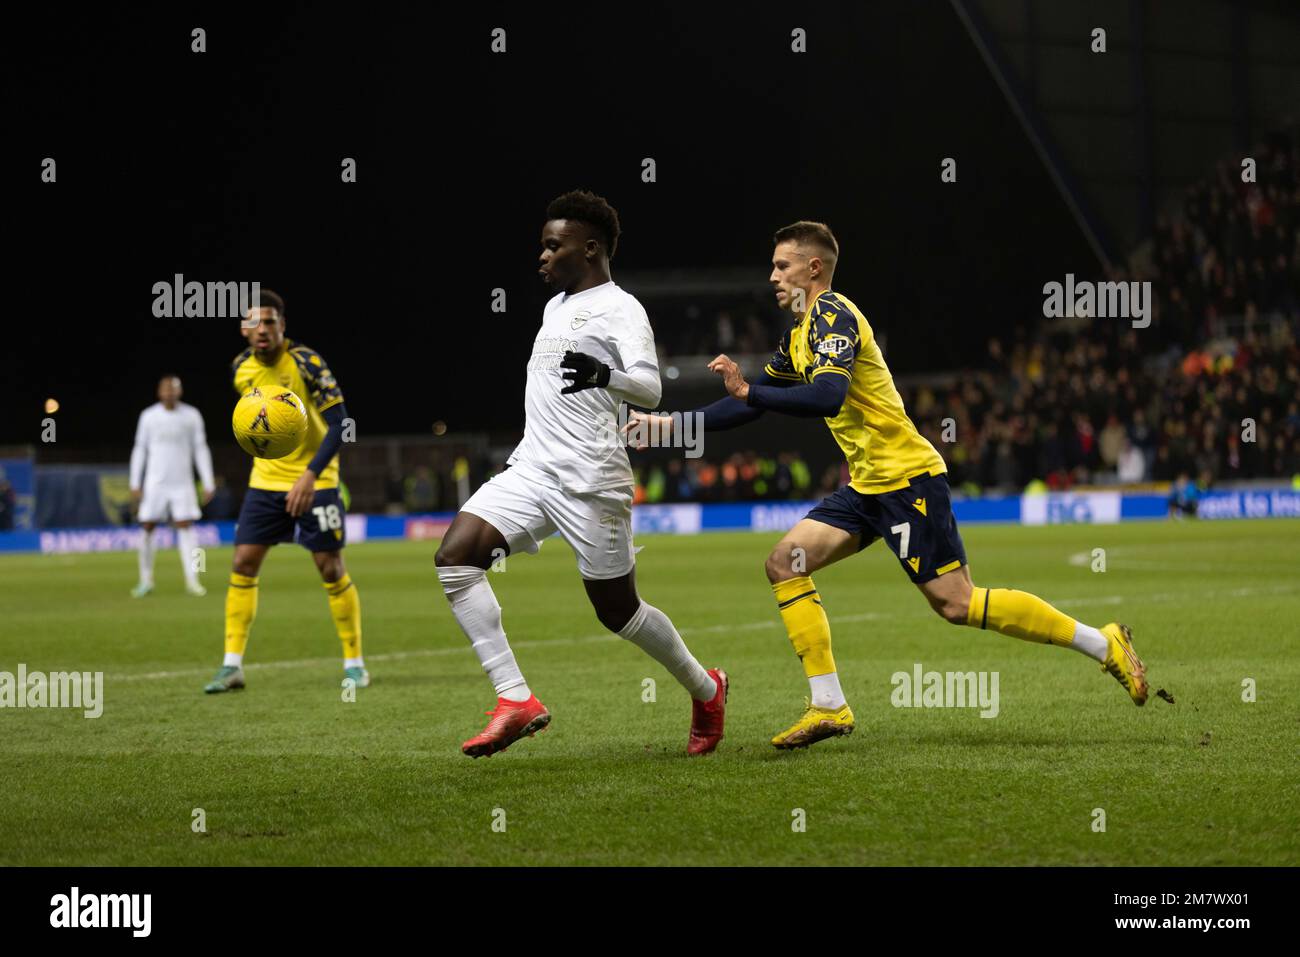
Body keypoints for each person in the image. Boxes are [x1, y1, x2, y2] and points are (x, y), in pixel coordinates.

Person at [629, 221, 1151, 750]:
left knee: (956, 604)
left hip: (906, 479)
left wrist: (750, 393)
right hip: (867, 487)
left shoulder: (834, 314)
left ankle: (1102, 643)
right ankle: (828, 705)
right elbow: (749, 399)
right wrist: (671, 425)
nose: (772, 276)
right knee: (786, 562)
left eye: (782, 265)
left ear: (814, 269)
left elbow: (826, 396)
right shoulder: (800, 334)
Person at [434, 190, 727, 758]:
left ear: (589, 249)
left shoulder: (623, 308)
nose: (541, 257)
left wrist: (605, 375)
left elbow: (651, 387)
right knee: (455, 558)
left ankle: (707, 689)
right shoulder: (555, 308)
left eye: (552, 246)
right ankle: (514, 699)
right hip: (533, 469)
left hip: (593, 478)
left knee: (617, 611)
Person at [203, 289, 367, 693]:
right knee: (242, 562)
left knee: (330, 568)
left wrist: (310, 475)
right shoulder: (240, 369)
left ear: (282, 326)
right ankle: (232, 666)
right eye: (254, 323)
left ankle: (354, 663)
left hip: (317, 480)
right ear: (244, 329)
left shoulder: (307, 362)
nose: (263, 330)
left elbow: (341, 424)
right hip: (265, 482)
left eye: (271, 322)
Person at [128, 375, 214, 597]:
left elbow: (200, 448)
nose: (169, 393)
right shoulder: (148, 416)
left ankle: (194, 580)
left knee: (187, 527)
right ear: (159, 392)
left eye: (173, 389)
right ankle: (145, 580)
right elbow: (140, 449)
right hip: (155, 483)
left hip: (182, 483)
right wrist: (135, 481)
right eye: (166, 389)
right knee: (147, 526)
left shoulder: (191, 415)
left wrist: (208, 481)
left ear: (180, 391)